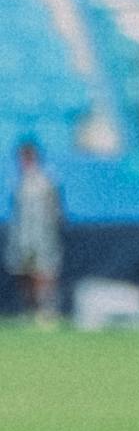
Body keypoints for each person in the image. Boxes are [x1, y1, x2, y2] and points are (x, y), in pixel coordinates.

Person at [7, 134, 60, 324]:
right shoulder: (18, 182)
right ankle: (30, 311)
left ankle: (47, 310)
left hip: (42, 234)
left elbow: (55, 209)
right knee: (24, 273)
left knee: (44, 272)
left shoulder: (46, 180)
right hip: (22, 234)